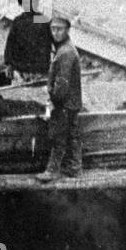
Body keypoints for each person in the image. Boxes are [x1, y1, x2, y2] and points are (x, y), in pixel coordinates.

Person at [38, 17, 83, 182]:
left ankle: (52, 171)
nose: (55, 33)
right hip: (71, 103)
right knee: (72, 136)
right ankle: (74, 168)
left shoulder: (66, 52)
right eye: (53, 29)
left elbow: (62, 84)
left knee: (59, 138)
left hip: (64, 104)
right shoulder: (65, 49)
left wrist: (53, 101)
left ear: (67, 30)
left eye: (59, 29)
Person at [0, 0, 53, 82]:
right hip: (26, 70)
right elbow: (10, 44)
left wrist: (9, 65)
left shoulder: (41, 20)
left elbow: (10, 45)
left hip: (34, 70)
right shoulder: (21, 21)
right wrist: (9, 65)